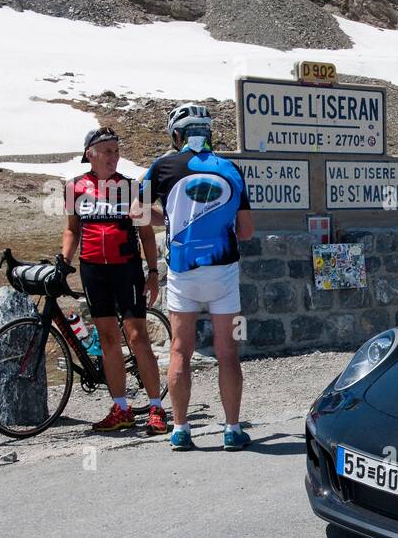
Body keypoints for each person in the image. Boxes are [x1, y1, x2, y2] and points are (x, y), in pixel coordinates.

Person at [133, 104, 255, 451]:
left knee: (179, 351)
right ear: (209, 132)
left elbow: (135, 211)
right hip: (224, 273)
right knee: (227, 352)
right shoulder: (232, 168)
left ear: (177, 135)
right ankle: (232, 429)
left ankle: (181, 430)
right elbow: (245, 231)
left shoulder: (163, 166)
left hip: (183, 272)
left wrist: (171, 219)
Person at [63, 127, 166, 435]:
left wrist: (152, 274)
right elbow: (72, 230)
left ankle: (156, 408)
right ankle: (121, 408)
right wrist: (62, 262)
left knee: (137, 338)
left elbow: (146, 233)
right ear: (89, 155)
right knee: (108, 340)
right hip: (93, 270)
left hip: (127, 270)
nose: (113, 156)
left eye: (116, 150)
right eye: (106, 150)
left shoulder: (132, 188)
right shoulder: (74, 188)